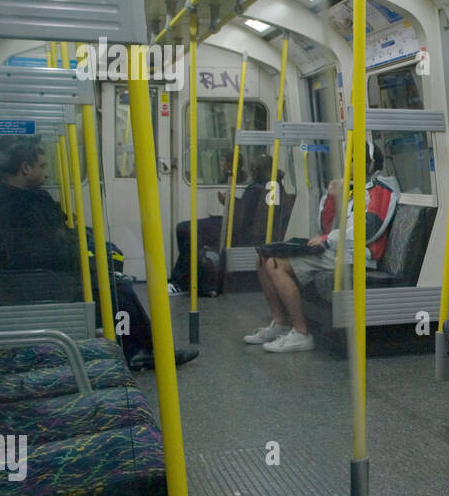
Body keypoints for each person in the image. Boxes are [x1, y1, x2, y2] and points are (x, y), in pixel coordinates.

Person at [0, 136, 199, 372]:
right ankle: (135, 351)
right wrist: (84, 254)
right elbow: (41, 247)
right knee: (116, 289)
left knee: (113, 278)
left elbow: (48, 238)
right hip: (38, 279)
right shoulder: (22, 203)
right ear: (25, 168)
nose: (47, 173)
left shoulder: (9, 197)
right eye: (42, 166)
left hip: (36, 272)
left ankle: (148, 347)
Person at [243, 141, 399, 352]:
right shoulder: (353, 188)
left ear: (370, 165)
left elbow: (367, 229)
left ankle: (301, 333)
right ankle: (279, 323)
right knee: (262, 258)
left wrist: (328, 240)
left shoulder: (380, 190)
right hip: (338, 249)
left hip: (359, 254)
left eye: (355, 160)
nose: (349, 164)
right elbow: (325, 224)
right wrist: (333, 198)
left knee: (274, 264)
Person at [168, 153, 277, 293]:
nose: (252, 172)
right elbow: (249, 211)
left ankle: (179, 282)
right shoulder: (267, 186)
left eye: (255, 169)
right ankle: (186, 278)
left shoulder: (260, 188)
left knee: (190, 231)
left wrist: (229, 202)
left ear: (263, 170)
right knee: (183, 228)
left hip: (238, 230)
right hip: (237, 224)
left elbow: (248, 218)